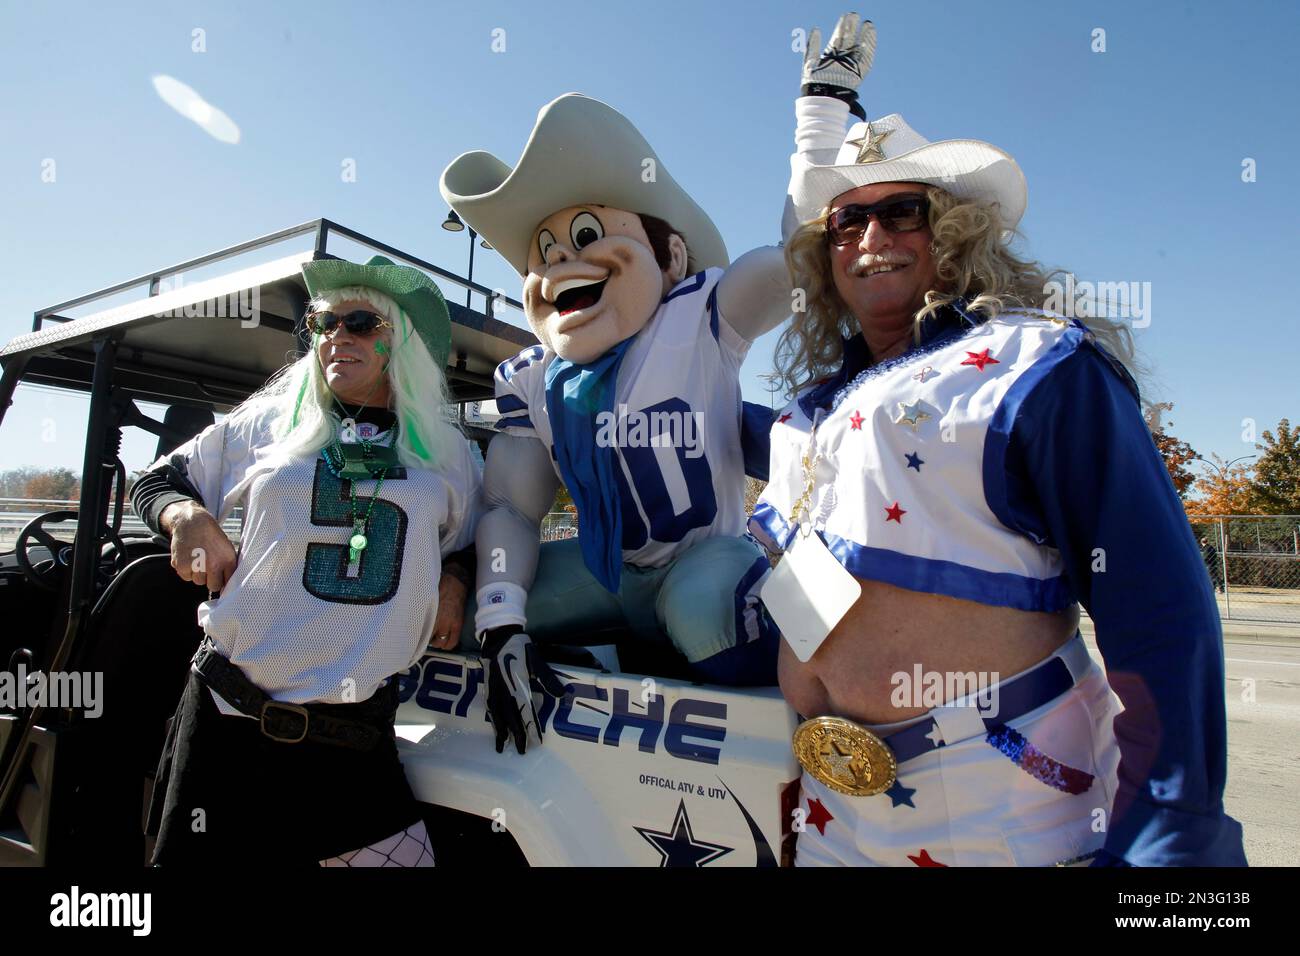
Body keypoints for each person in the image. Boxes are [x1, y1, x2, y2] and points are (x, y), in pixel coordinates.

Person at [749, 14, 1246, 866]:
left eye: (899, 213)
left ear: (951, 230)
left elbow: (1161, 615)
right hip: (835, 810)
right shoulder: (808, 413)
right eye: (845, 225)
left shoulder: (1032, 364)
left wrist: (1169, 844)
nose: (869, 240)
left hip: (1006, 803)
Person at [439, 93, 792, 754]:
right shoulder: (532, 378)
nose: (556, 267)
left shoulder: (699, 319)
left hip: (703, 566)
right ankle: (588, 683)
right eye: (541, 253)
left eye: (585, 237)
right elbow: (513, 510)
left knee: (702, 610)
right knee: (465, 622)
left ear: (673, 260)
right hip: (614, 574)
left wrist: (819, 125)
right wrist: (503, 622)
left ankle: (773, 721)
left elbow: (792, 262)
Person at [132, 255, 482, 866]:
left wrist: (456, 577)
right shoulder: (271, 422)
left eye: (360, 323)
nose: (337, 337)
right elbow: (161, 478)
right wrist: (185, 518)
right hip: (230, 716)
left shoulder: (446, 450)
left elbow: (477, 536)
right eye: (323, 323)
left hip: (354, 731)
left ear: (397, 341)